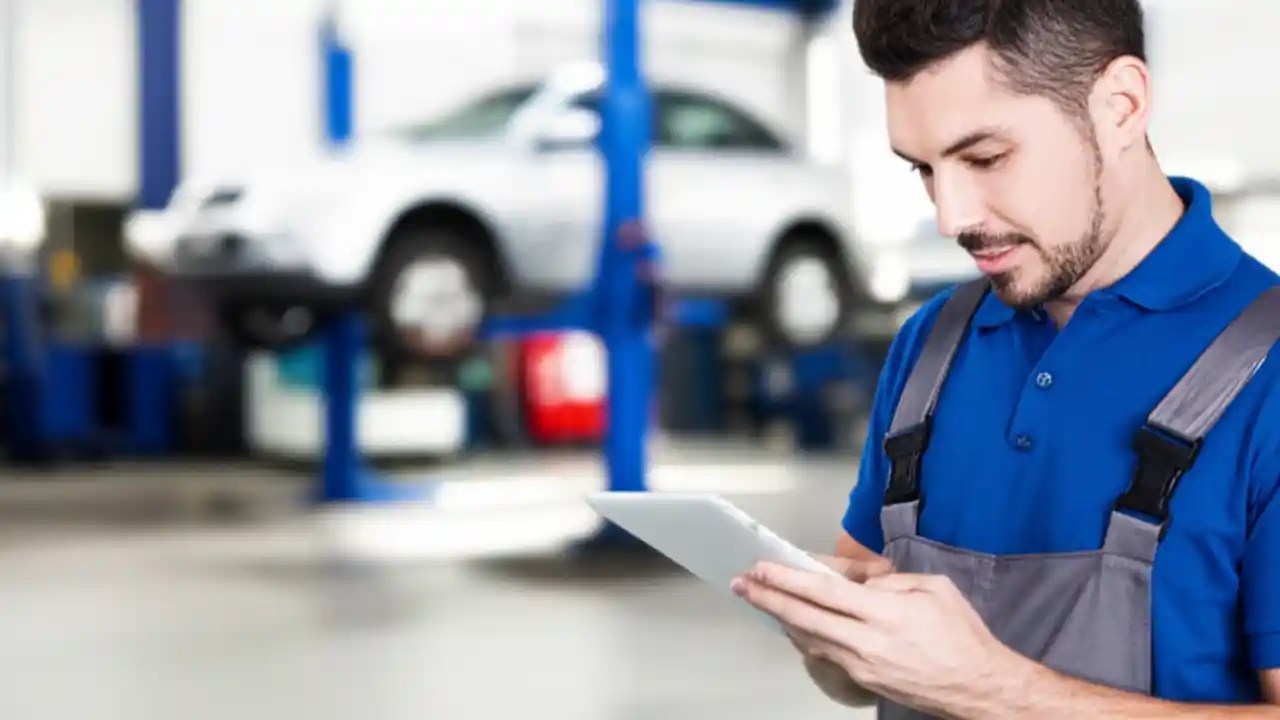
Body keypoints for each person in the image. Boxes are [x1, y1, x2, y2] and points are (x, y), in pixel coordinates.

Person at [731, 1, 1280, 718]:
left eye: (986, 158)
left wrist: (995, 690)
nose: (951, 216)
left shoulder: (1266, 371)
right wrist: (836, 642)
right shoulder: (931, 344)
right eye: (923, 169)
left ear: (1121, 106)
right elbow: (858, 675)